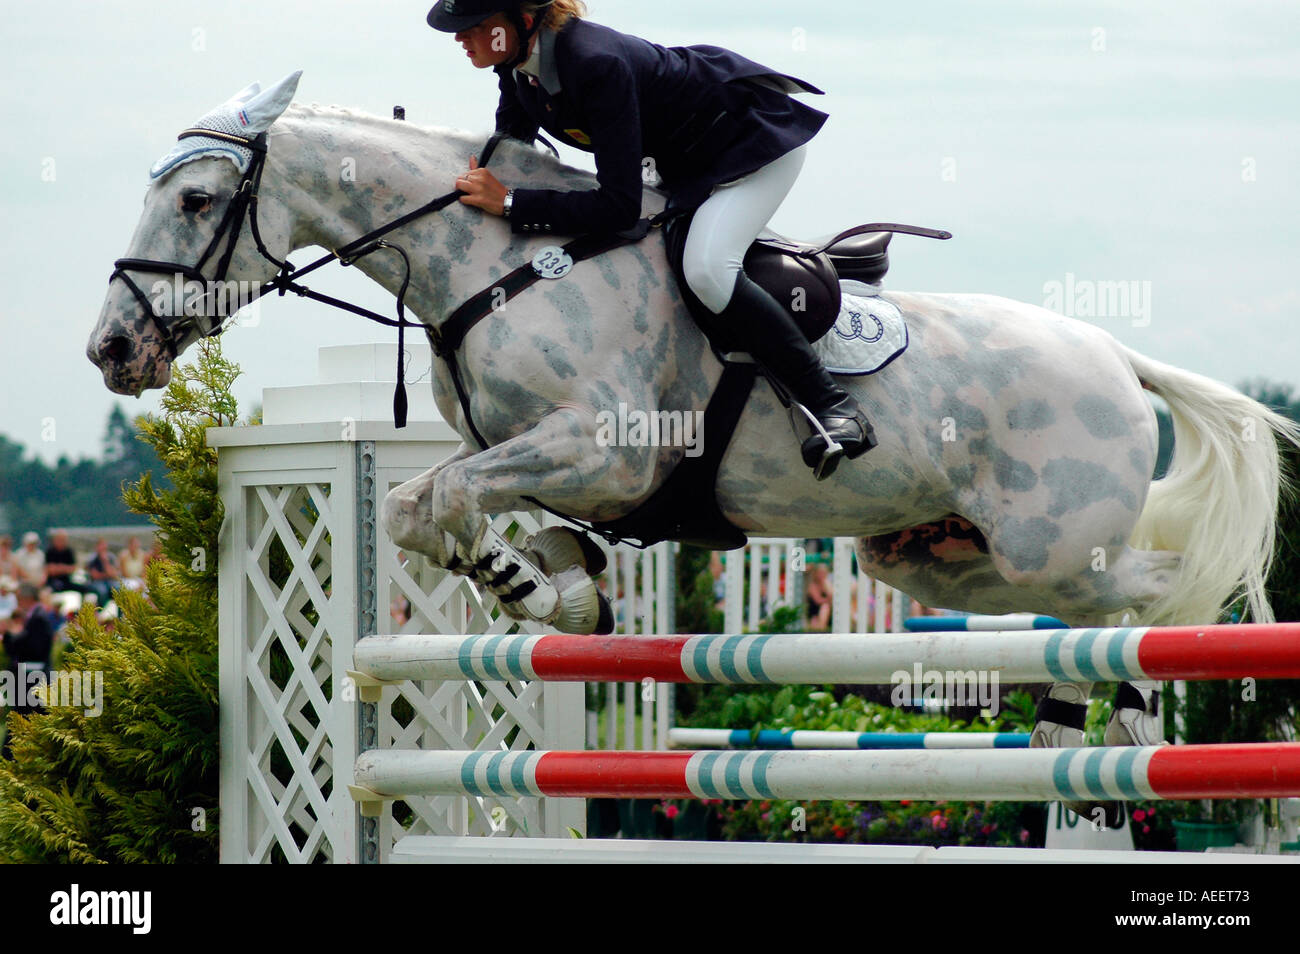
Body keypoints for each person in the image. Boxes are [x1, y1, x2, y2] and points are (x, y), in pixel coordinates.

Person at [429, 0, 876, 478]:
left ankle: (832, 406)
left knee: (706, 270)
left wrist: (515, 205)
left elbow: (618, 208)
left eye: (474, 26)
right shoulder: (518, 65)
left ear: (521, 19)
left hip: (750, 150)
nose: (461, 38)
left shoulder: (594, 63)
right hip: (684, 163)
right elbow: (512, 151)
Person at [2, 583, 53, 759]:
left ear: (26, 598)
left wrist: (12, 636)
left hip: (34, 678)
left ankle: (8, 756)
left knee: (24, 717)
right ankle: (10, 756)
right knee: (25, 717)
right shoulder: (34, 617)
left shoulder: (38, 618)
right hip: (30, 676)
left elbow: (34, 648)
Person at [42, 530, 82, 594]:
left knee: (83, 588)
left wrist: (58, 568)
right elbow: (49, 569)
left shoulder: (69, 551)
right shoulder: (50, 551)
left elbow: (73, 568)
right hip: (53, 581)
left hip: (67, 580)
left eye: (63, 540)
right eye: (59, 539)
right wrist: (64, 568)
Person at [86, 538, 121, 605]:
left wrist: (105, 562)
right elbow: (95, 576)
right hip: (96, 582)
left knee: (118, 589)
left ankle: (120, 613)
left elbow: (113, 574)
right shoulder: (93, 558)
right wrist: (107, 575)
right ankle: (100, 611)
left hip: (109, 581)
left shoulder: (111, 557)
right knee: (102, 591)